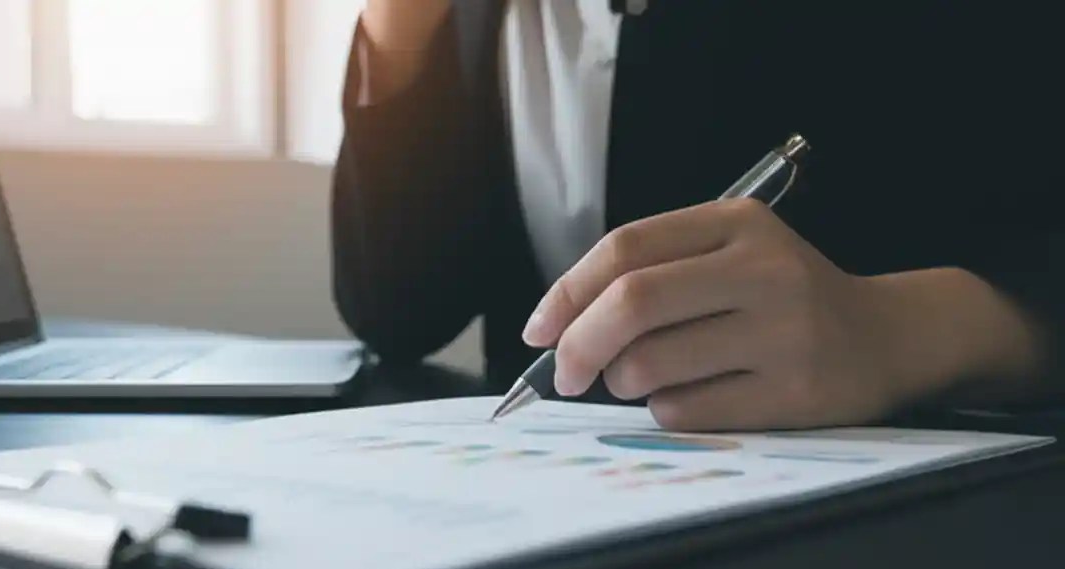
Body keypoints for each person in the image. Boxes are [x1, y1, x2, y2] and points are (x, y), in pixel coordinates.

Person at [330, 0, 1064, 431]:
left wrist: (910, 330)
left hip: (887, 546)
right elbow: (397, 309)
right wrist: (397, 38)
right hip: (539, 521)